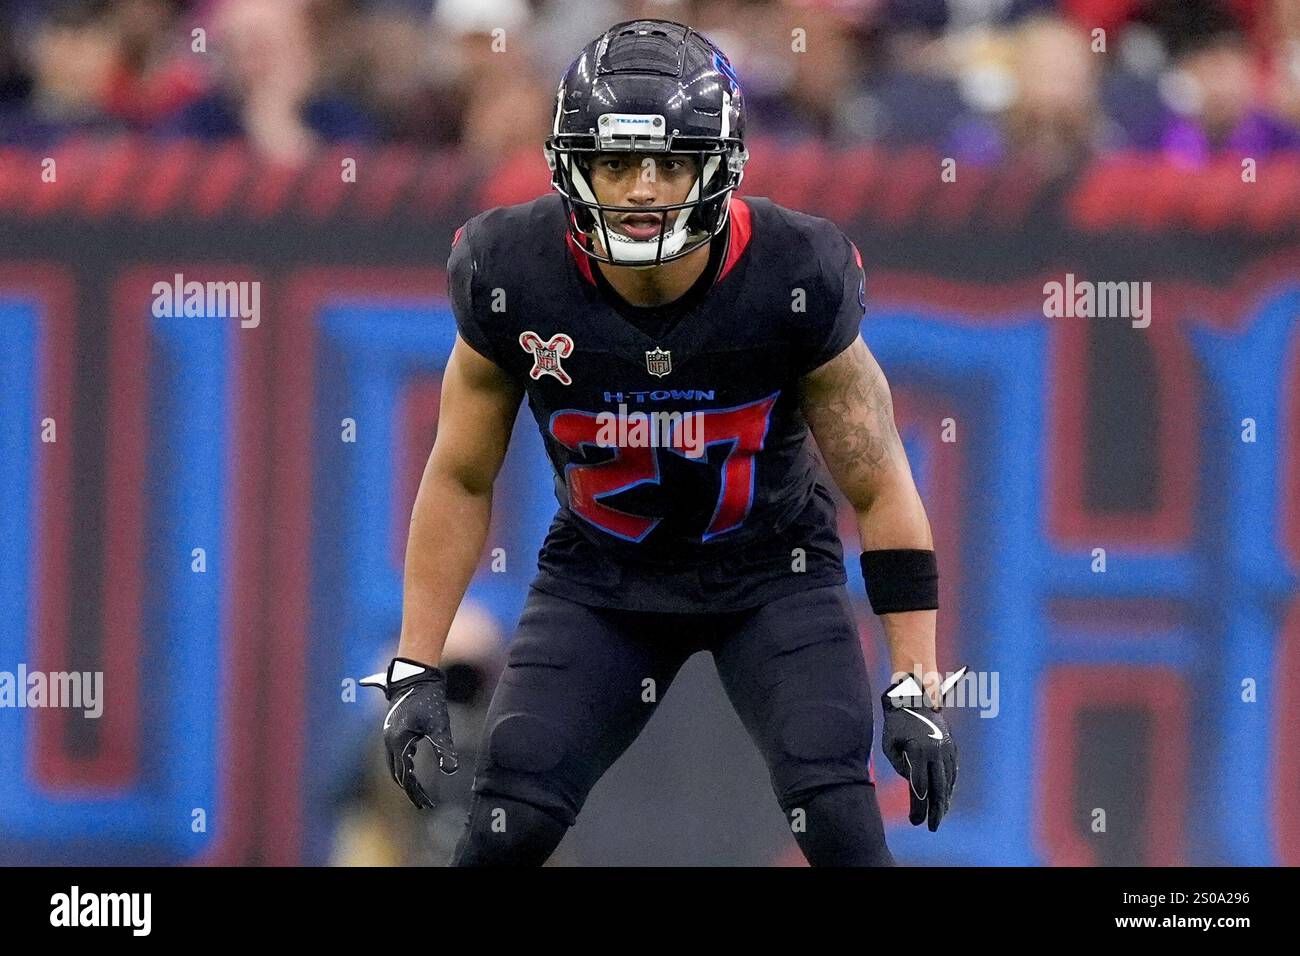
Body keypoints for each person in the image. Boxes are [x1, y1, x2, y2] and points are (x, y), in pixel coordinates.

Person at [362, 19, 960, 867]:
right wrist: (416, 663)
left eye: (670, 163)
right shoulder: (512, 272)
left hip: (772, 573)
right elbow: (460, 476)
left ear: (717, 169)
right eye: (615, 163)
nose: (642, 190)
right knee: (509, 819)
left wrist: (918, 681)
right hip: (602, 577)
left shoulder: (795, 273)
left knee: (836, 818)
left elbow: (879, 482)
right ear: (574, 165)